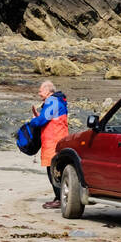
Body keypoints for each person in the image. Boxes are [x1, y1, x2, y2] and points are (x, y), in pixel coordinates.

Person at [31, 81, 70, 209]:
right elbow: (48, 118)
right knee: (55, 170)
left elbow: (42, 121)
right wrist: (39, 116)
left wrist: (34, 120)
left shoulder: (52, 101)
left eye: (40, 90)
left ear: (48, 91)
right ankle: (59, 197)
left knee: (54, 171)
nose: (39, 93)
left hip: (54, 142)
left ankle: (60, 199)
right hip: (57, 140)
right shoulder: (57, 101)